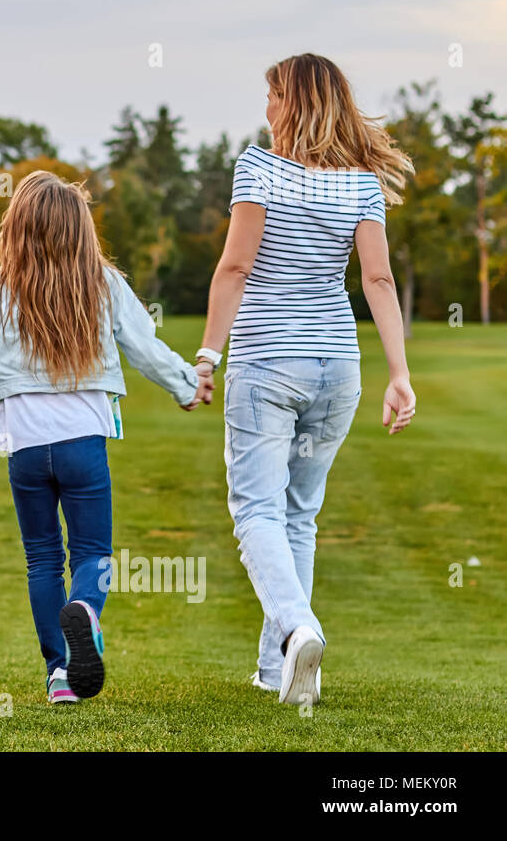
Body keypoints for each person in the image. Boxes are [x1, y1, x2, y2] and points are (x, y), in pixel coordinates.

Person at [0, 171, 210, 704]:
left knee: (42, 558)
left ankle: (60, 674)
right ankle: (84, 610)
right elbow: (146, 348)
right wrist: (186, 384)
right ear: (81, 229)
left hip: (24, 444)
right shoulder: (105, 284)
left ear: (15, 227)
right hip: (83, 439)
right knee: (93, 555)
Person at [196, 54, 417, 707]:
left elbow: (235, 269)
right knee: (299, 515)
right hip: (337, 369)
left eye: (271, 96)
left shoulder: (257, 168)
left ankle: (299, 627)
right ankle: (277, 671)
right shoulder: (360, 183)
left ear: (289, 103)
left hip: (268, 364)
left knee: (257, 510)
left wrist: (208, 355)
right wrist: (399, 374)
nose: (265, 108)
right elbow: (377, 280)